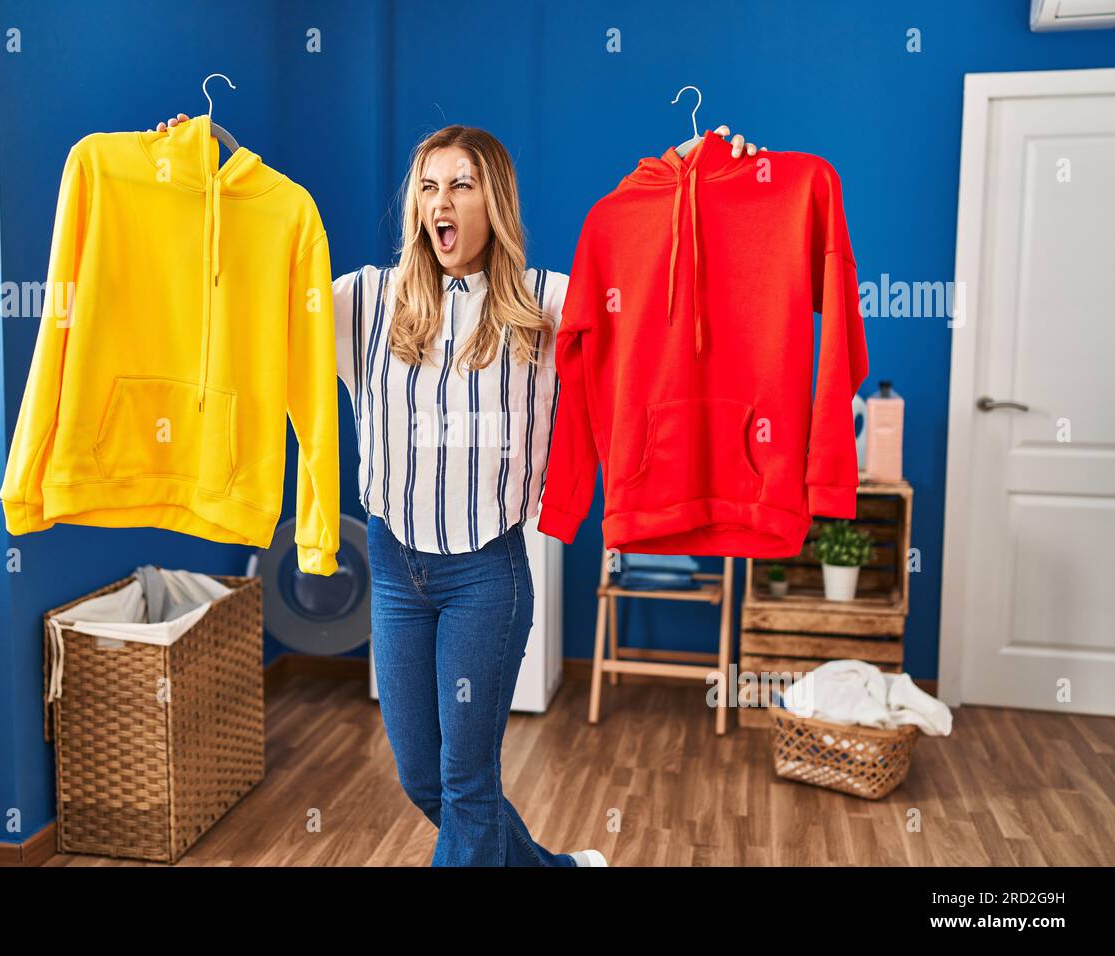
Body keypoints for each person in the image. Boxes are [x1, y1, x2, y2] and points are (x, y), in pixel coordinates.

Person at [156, 113, 762, 866]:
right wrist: (204, 175)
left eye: (461, 185)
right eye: (428, 186)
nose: (441, 201)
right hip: (396, 569)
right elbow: (252, 282)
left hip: (487, 574)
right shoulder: (363, 302)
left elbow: (655, 295)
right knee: (423, 778)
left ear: (493, 202)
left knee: (467, 781)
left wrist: (704, 181)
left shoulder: (546, 303)